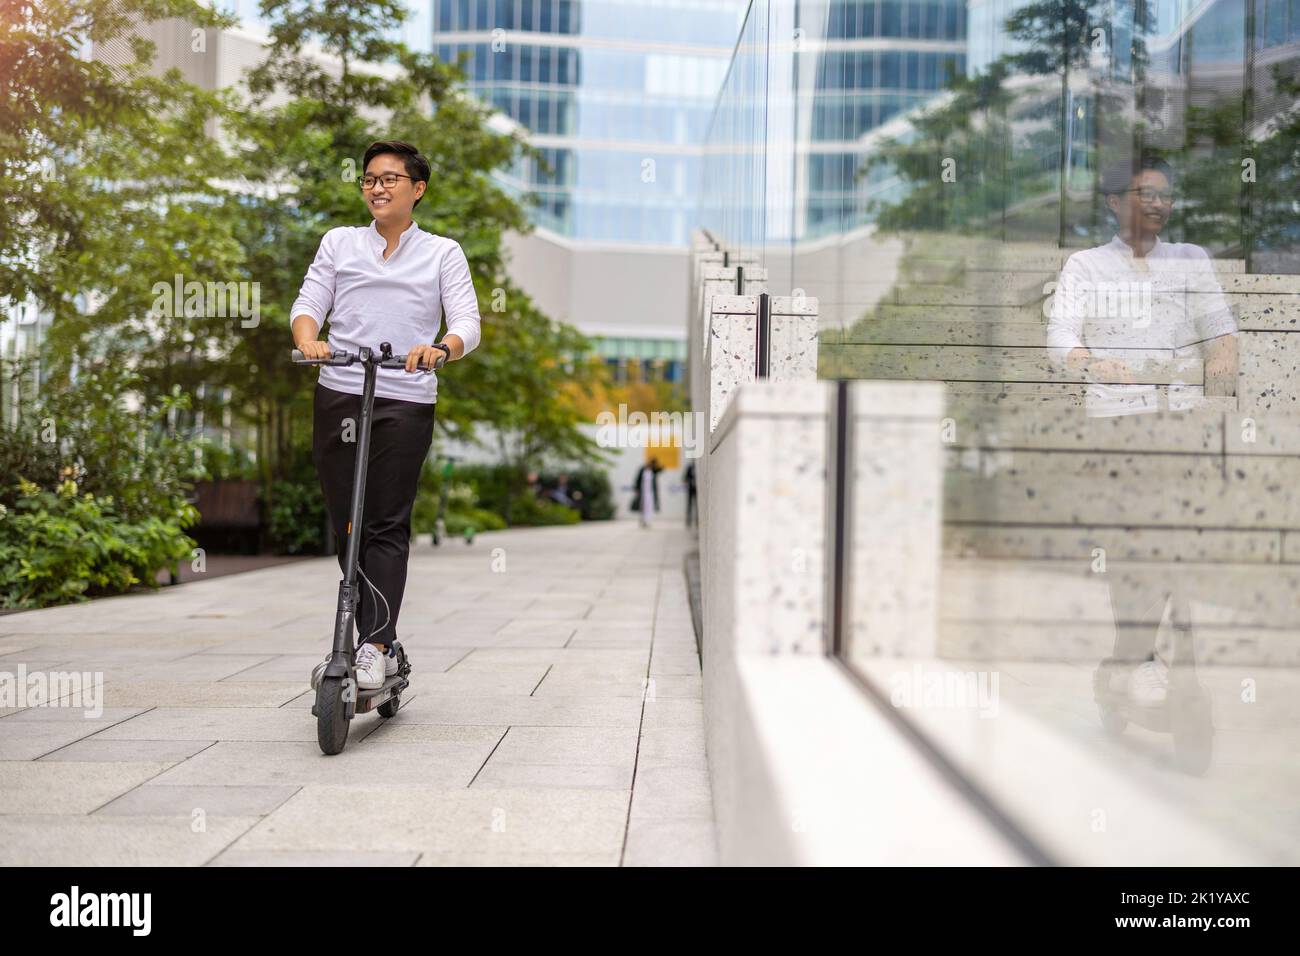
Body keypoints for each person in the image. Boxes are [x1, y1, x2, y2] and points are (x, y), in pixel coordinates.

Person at [1047, 155, 1237, 708]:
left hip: (1179, 418)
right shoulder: (1086, 265)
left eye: (1165, 195)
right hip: (1117, 420)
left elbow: (1218, 325)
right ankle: (1141, 660)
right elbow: (1060, 336)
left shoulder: (1190, 259)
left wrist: (1223, 354)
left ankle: (1140, 659)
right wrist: (1092, 362)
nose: (1158, 204)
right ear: (1114, 202)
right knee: (1135, 547)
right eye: (1144, 193)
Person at [291, 140, 481, 690]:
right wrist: (310, 341)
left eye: (390, 179)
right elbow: (309, 304)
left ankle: (374, 645)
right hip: (340, 391)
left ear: (416, 189)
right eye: (370, 179)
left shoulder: (443, 253)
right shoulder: (339, 243)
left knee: (386, 522)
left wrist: (440, 349)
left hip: (405, 395)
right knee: (347, 523)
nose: (377, 187)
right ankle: (382, 636)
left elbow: (467, 320)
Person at [632, 458, 662, 528]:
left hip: (650, 492)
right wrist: (637, 490)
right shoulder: (642, 469)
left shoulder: (653, 471)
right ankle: (642, 520)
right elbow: (638, 480)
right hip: (643, 492)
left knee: (650, 507)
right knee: (643, 507)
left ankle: (648, 521)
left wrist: (656, 465)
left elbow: (661, 469)